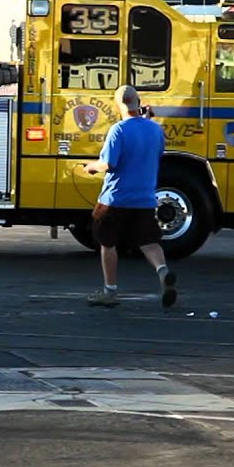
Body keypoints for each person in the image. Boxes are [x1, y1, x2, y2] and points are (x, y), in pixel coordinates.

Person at [82, 85, 178, 308]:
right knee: (148, 241)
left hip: (115, 199)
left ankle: (110, 291)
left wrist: (91, 167)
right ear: (139, 101)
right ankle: (163, 272)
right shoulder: (155, 130)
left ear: (117, 105)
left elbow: (108, 163)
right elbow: (156, 151)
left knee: (107, 242)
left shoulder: (118, 130)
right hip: (144, 199)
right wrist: (146, 120)